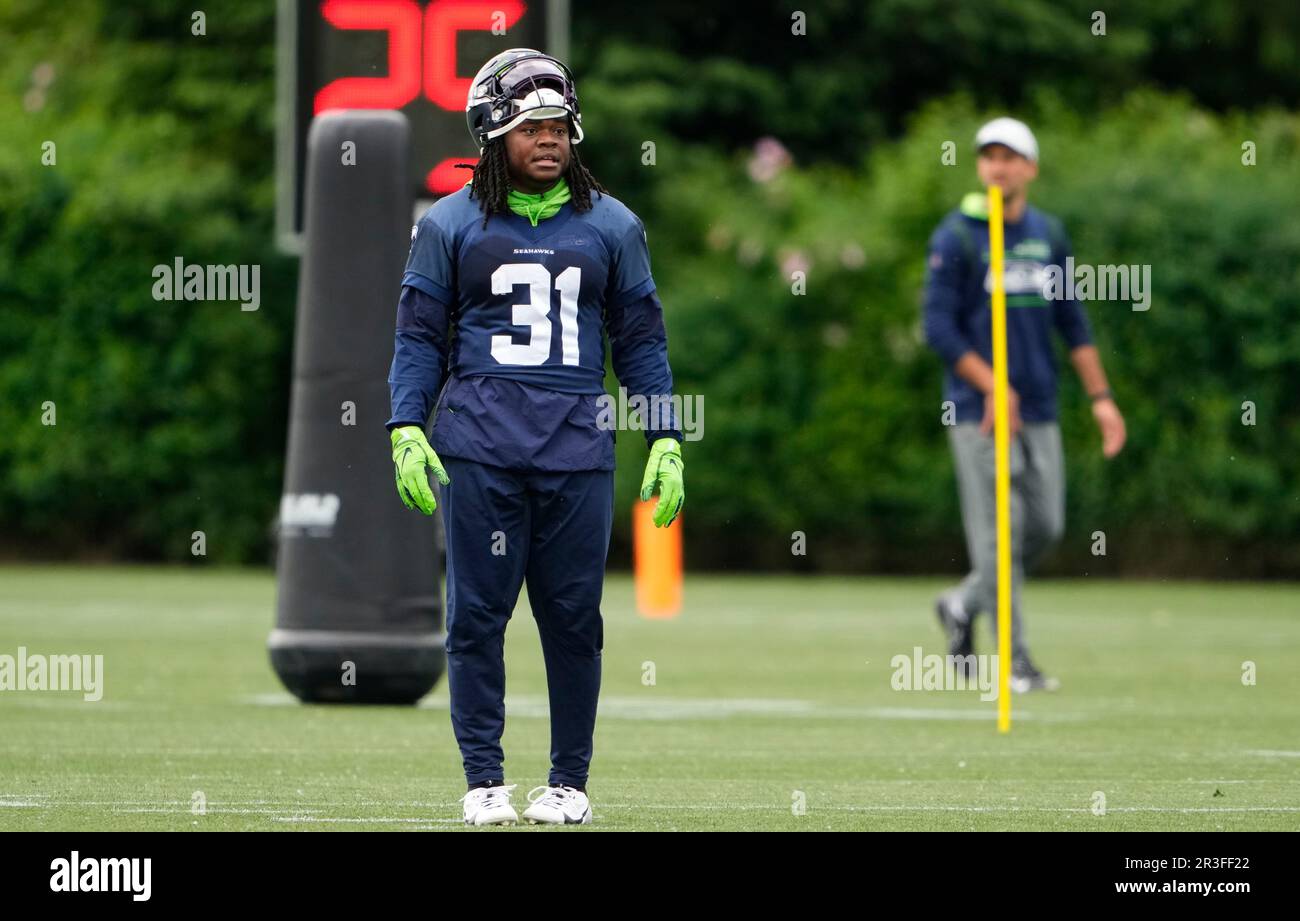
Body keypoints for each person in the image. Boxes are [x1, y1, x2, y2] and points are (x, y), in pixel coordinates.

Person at [386, 49, 684, 825]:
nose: (547, 140)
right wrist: (406, 427)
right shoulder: (450, 223)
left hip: (577, 449)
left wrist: (664, 435)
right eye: (529, 127)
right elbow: (417, 337)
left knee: (574, 620)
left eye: (556, 126)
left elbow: (641, 341)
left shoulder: (613, 224)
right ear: (494, 132)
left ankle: (568, 783)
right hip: (480, 445)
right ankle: (484, 778)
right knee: (475, 617)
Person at [922, 117, 1126, 692]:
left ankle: (961, 603)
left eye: (1009, 157)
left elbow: (1073, 323)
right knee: (997, 538)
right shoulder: (958, 235)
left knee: (1046, 525)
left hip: (1039, 407)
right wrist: (991, 383)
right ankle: (1015, 660)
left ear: (1029, 168)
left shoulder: (1046, 234)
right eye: (988, 156)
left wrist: (1102, 400)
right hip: (977, 411)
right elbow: (937, 328)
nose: (997, 166)